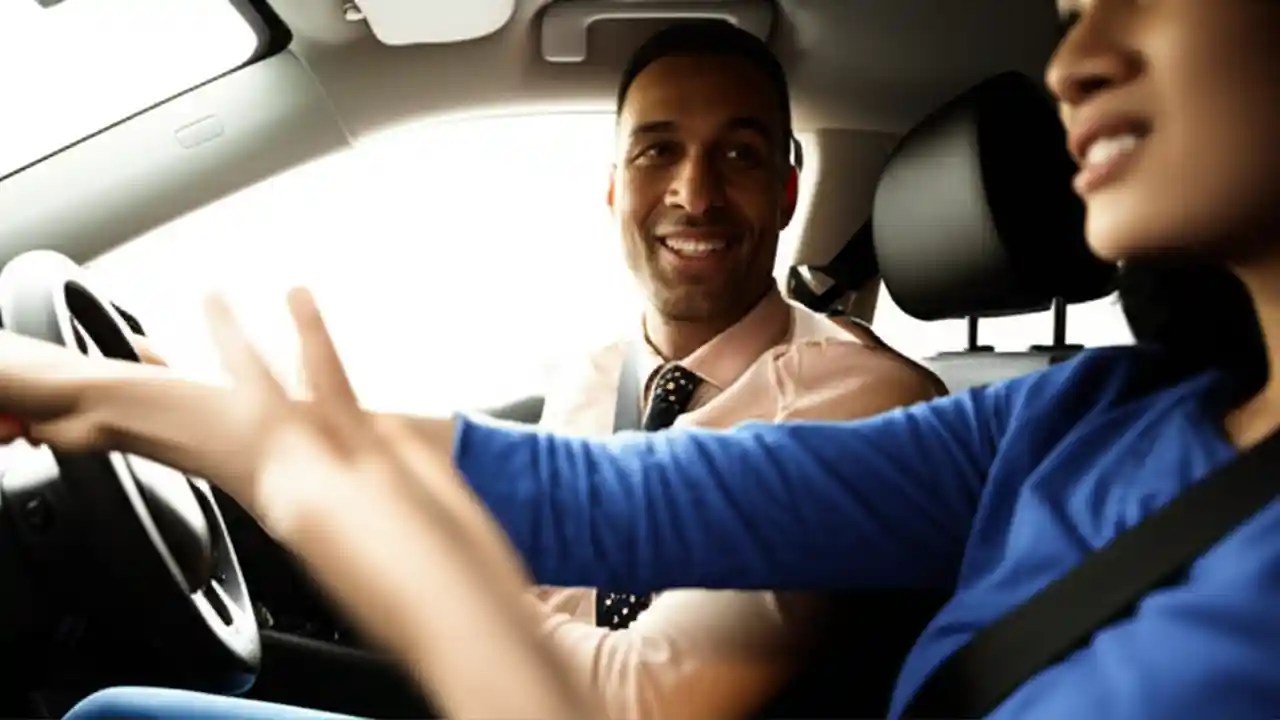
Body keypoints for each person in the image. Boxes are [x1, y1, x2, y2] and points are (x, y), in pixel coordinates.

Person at [7, 0, 1280, 716]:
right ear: (608, 184)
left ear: (787, 193)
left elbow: (634, 699)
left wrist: (340, 507)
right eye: (1069, 4)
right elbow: (605, 499)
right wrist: (120, 399)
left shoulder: (879, 393)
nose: (1072, 61)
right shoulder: (1075, 417)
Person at [529, 21, 940, 720]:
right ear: (614, 188)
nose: (695, 194)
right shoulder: (584, 382)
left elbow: (654, 693)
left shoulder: (869, 406)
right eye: (658, 151)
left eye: (739, 155)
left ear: (786, 194)